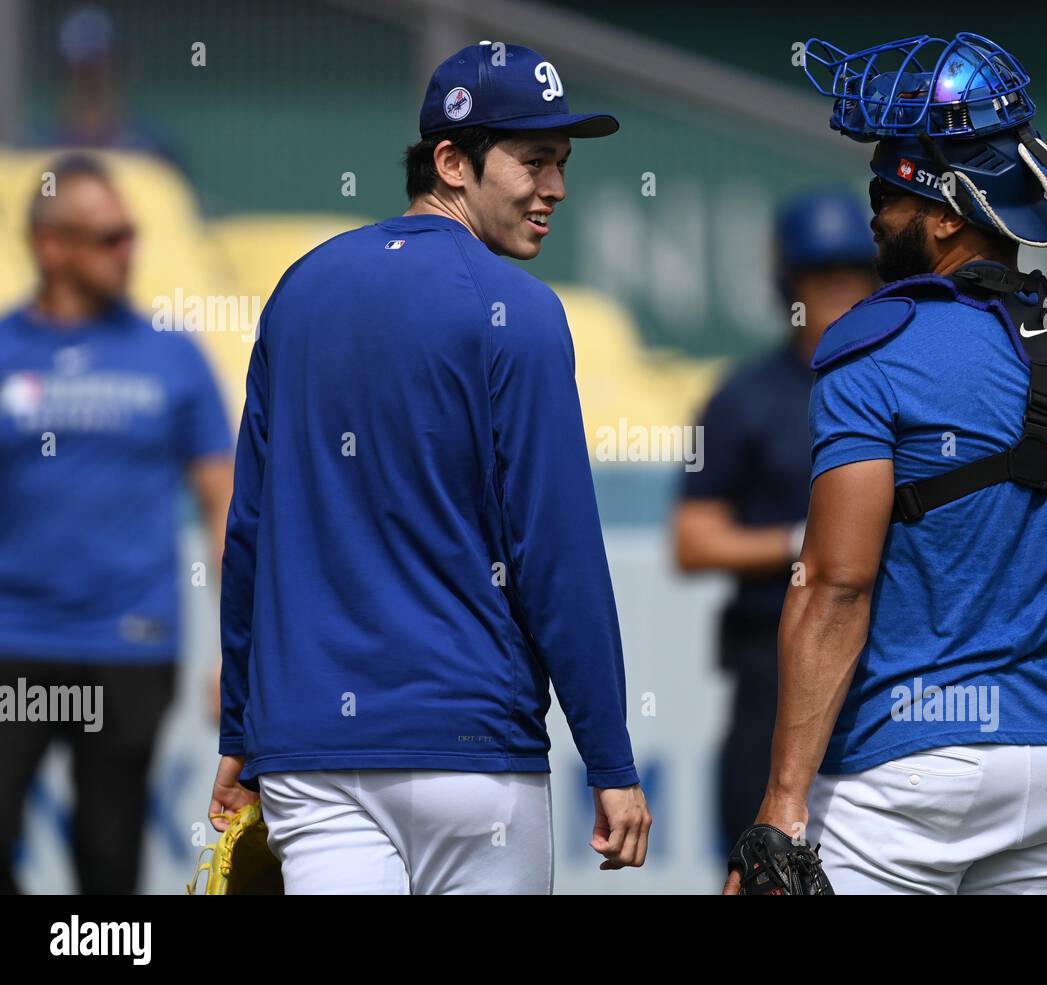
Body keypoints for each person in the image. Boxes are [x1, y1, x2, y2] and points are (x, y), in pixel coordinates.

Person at [727, 32, 1047, 894]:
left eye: (888, 188)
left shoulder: (874, 348)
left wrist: (780, 813)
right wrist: (1029, 681)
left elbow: (833, 585)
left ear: (945, 214)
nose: (872, 212)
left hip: (902, 778)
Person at [207, 43, 651, 895]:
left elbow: (250, 530)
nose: (556, 187)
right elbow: (555, 555)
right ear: (451, 160)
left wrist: (241, 730)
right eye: (533, 161)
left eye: (560, 163)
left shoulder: (299, 291)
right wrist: (611, 757)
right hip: (473, 756)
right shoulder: (520, 312)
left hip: (316, 758)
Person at [0, 154, 233, 893]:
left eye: (130, 234)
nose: (128, 251)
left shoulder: (173, 357)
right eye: (107, 238)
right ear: (50, 246)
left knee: (109, 850)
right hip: (14, 639)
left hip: (130, 640)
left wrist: (239, 648)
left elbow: (221, 505)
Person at [673, 190, 878, 849]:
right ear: (788, 282)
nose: (841, 289)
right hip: (776, 662)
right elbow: (693, 538)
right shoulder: (747, 398)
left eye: (855, 272)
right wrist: (808, 545)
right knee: (765, 863)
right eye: (822, 275)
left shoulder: (901, 385)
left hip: (889, 665)